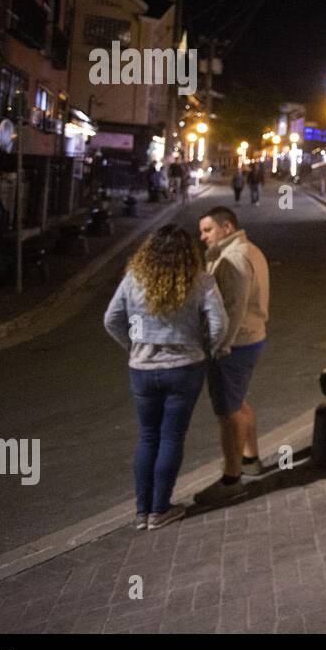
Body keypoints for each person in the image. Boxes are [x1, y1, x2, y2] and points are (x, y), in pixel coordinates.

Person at [104, 224, 228, 530]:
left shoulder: (134, 279)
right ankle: (161, 509)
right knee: (172, 436)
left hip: (142, 370)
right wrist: (209, 348)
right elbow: (220, 324)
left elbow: (112, 320)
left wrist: (134, 346)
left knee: (148, 435)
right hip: (185, 368)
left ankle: (142, 511)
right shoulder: (200, 280)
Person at [195, 206, 271, 503]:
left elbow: (233, 308)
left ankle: (232, 478)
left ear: (226, 227)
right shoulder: (248, 250)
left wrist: (220, 345)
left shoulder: (234, 258)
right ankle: (251, 460)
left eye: (207, 230)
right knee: (237, 402)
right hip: (250, 337)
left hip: (236, 343)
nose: (202, 237)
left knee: (227, 413)